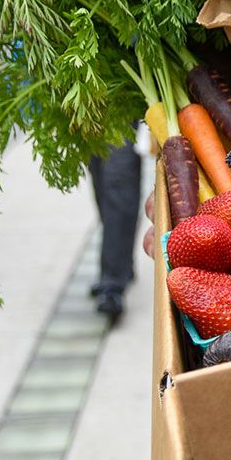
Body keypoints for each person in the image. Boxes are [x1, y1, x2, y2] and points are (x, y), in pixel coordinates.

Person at [88, 139, 142, 325]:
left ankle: (112, 285)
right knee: (100, 179)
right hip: (89, 117)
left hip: (122, 113)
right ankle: (123, 266)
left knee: (118, 181)